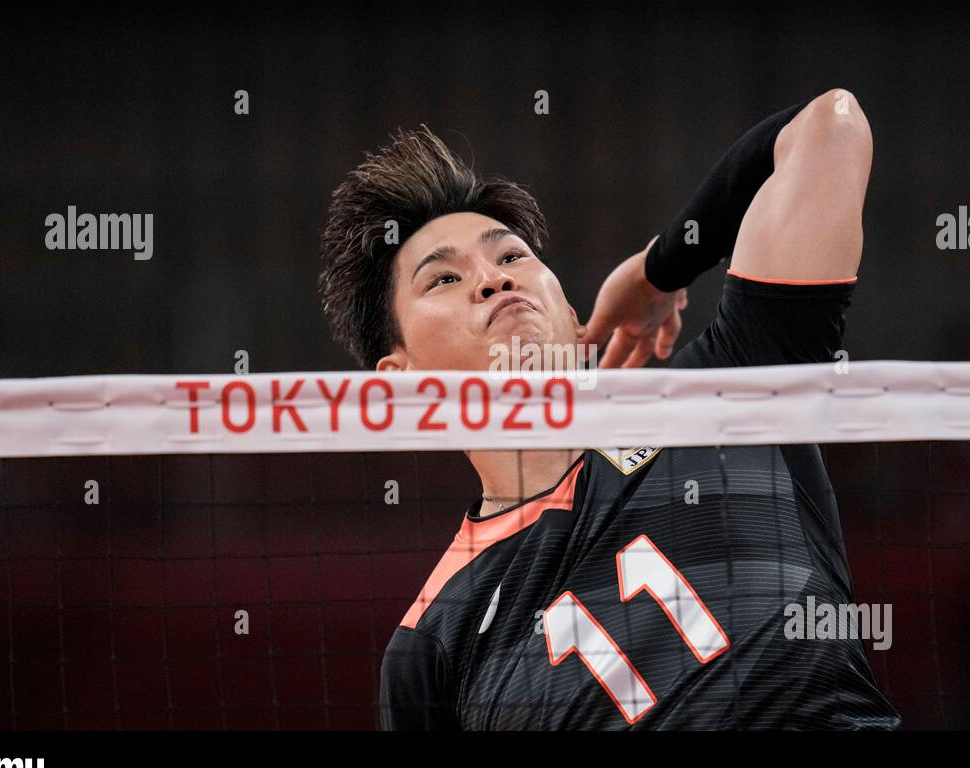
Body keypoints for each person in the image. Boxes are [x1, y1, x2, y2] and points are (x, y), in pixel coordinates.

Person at [317, 88, 899, 729]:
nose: (495, 278)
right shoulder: (431, 643)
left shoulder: (728, 392)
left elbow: (831, 126)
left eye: (512, 255)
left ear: (570, 314)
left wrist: (661, 268)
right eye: (444, 279)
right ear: (402, 383)